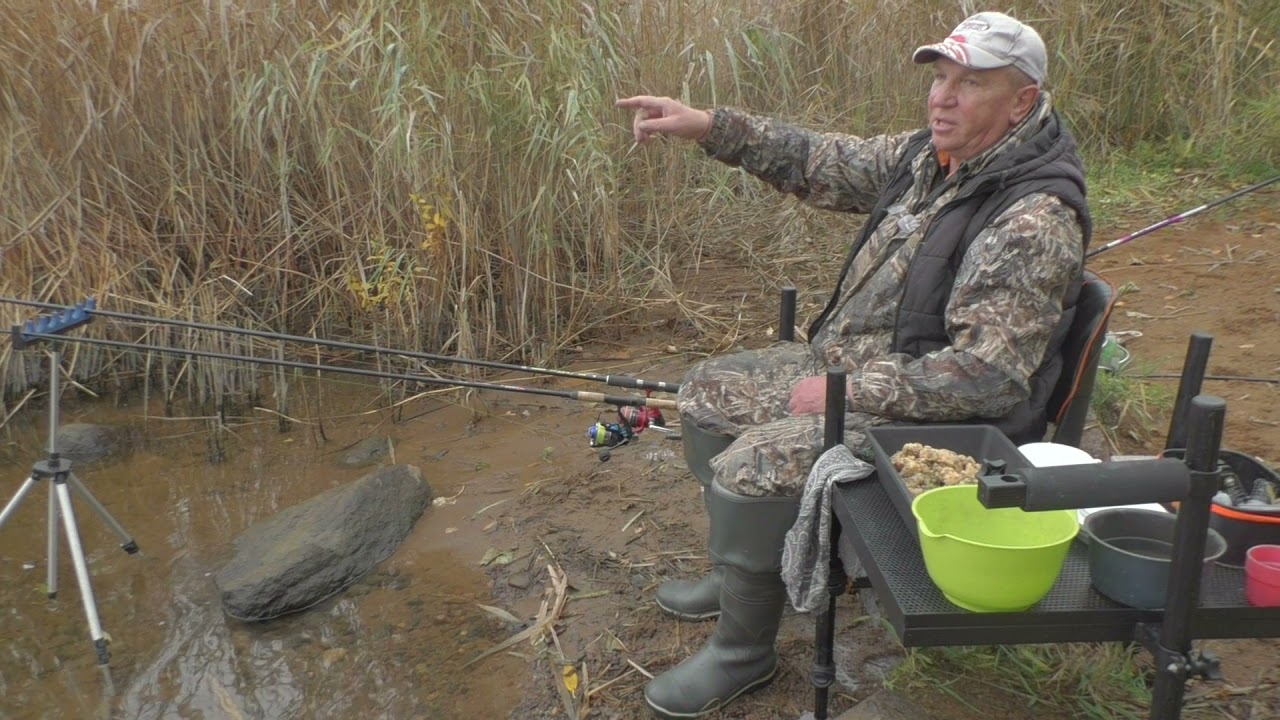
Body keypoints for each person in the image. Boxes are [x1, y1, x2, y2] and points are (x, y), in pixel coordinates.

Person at [616, 11, 1092, 719]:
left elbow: (988, 377)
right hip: (863, 367)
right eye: (940, 78)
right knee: (706, 392)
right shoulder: (929, 159)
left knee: (753, 465)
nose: (942, 97)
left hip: (940, 415)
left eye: (970, 83)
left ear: (1021, 100)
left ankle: (742, 651)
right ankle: (745, 571)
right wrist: (707, 125)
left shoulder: (1032, 217)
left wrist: (846, 388)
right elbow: (816, 159)